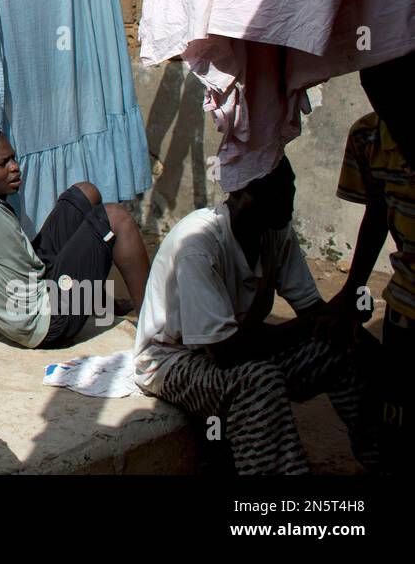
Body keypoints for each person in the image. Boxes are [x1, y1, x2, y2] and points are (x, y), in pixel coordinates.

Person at [133, 156, 381, 474]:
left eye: (290, 186)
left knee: (342, 344)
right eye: (280, 189)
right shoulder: (198, 244)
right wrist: (311, 324)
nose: (291, 197)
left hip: (233, 346)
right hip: (172, 360)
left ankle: (384, 460)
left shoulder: (275, 231)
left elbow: (311, 310)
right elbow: (226, 352)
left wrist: (340, 321)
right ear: (245, 191)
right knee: (259, 382)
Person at [0, 124, 150, 348]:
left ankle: (98, 302)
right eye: (3, 164)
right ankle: (153, 328)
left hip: (35, 278)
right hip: (46, 321)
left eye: (13, 158)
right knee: (116, 218)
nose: (14, 167)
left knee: (85, 192)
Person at [332, 52, 415, 468]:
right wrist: (353, 288)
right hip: (406, 301)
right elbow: (378, 212)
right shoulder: (367, 138)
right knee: (396, 420)